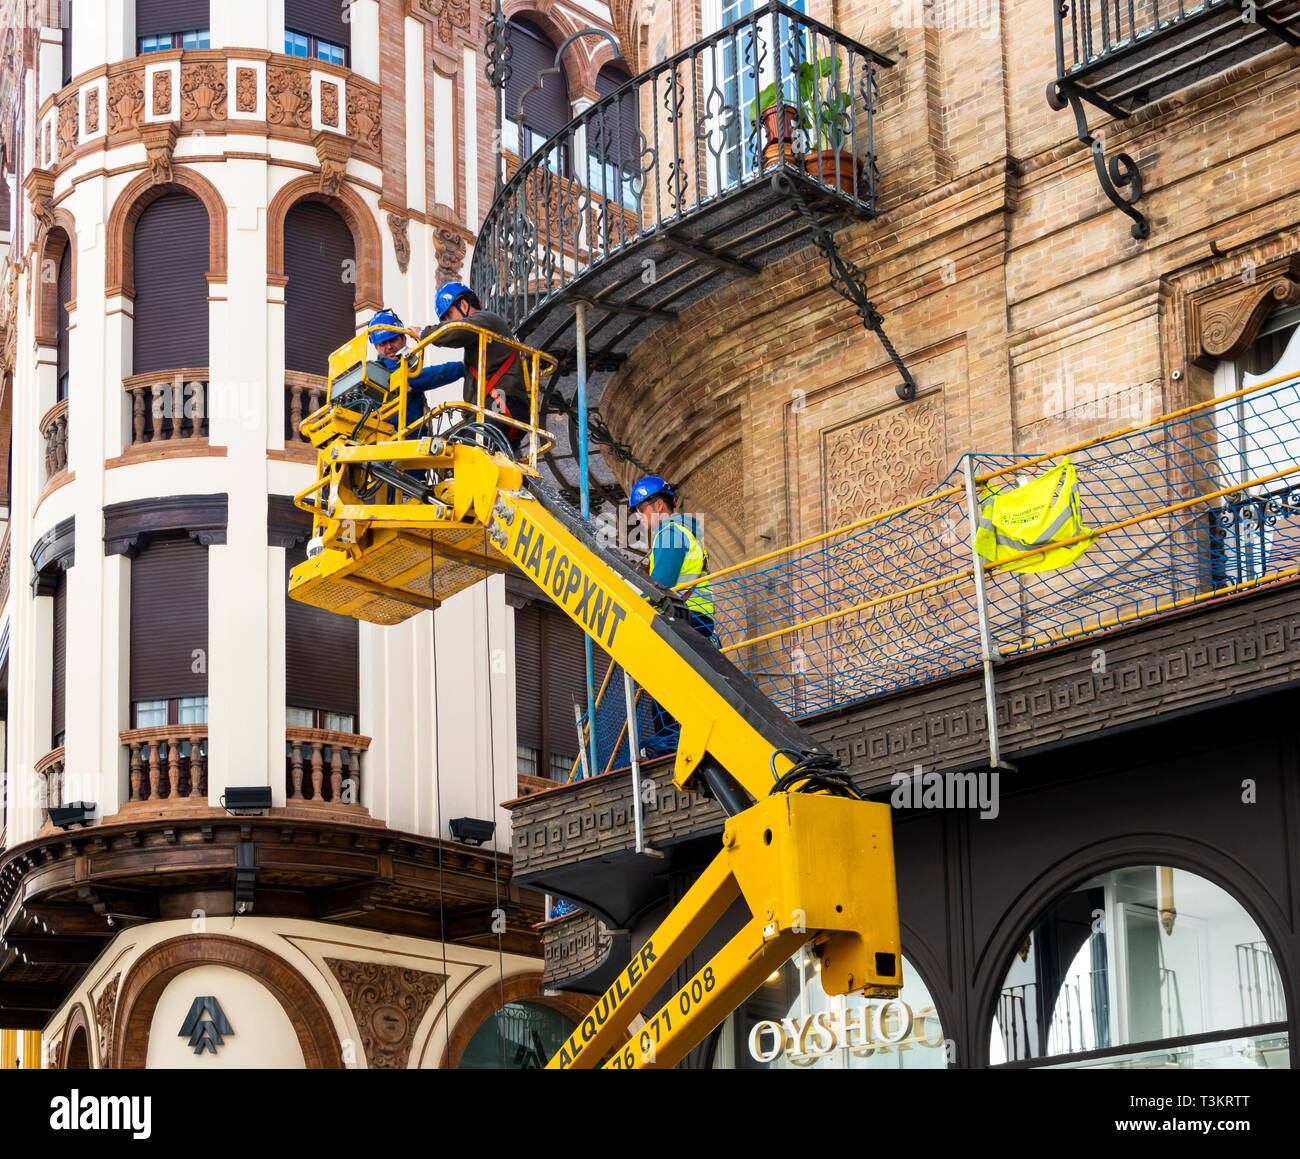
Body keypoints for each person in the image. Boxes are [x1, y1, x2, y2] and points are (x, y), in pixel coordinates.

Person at [628, 475, 716, 756]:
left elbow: (661, 585)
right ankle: (680, 739)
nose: (639, 519)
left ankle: (671, 743)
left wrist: (636, 605)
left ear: (656, 506)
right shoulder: (687, 532)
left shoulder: (670, 533)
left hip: (681, 619)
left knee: (666, 682)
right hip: (696, 618)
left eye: (640, 511)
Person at [430, 282, 531, 452]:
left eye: (448, 315)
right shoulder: (480, 340)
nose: (447, 322)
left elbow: (455, 332)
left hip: (501, 401)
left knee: (471, 457)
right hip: (503, 404)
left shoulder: (486, 319)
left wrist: (423, 333)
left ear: (463, 304)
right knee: (500, 465)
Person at [367, 308, 463, 431]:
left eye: (393, 340)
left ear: (404, 339)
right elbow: (425, 377)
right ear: (376, 347)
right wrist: (462, 367)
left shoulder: (401, 367)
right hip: (401, 442)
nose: (389, 347)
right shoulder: (383, 372)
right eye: (383, 343)